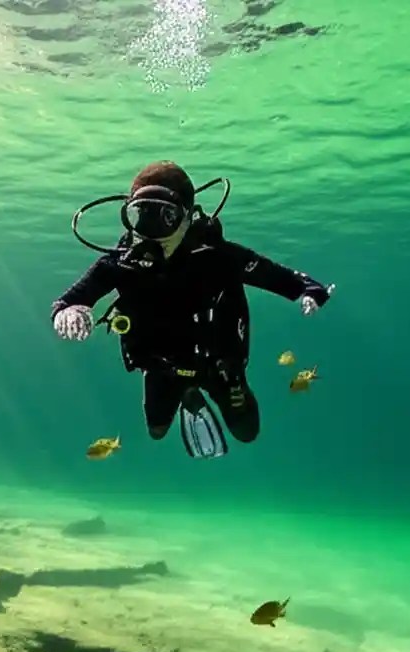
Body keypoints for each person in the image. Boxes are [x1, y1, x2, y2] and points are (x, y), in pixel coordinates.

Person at [50, 160, 335, 458]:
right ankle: (188, 395)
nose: (152, 232)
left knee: (246, 433)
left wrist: (309, 290)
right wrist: (69, 312)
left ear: (187, 217)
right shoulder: (120, 264)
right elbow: (70, 299)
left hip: (218, 366)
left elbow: (277, 275)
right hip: (160, 366)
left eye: (166, 217)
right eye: (142, 216)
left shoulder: (218, 258)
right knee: (156, 431)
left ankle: (195, 392)